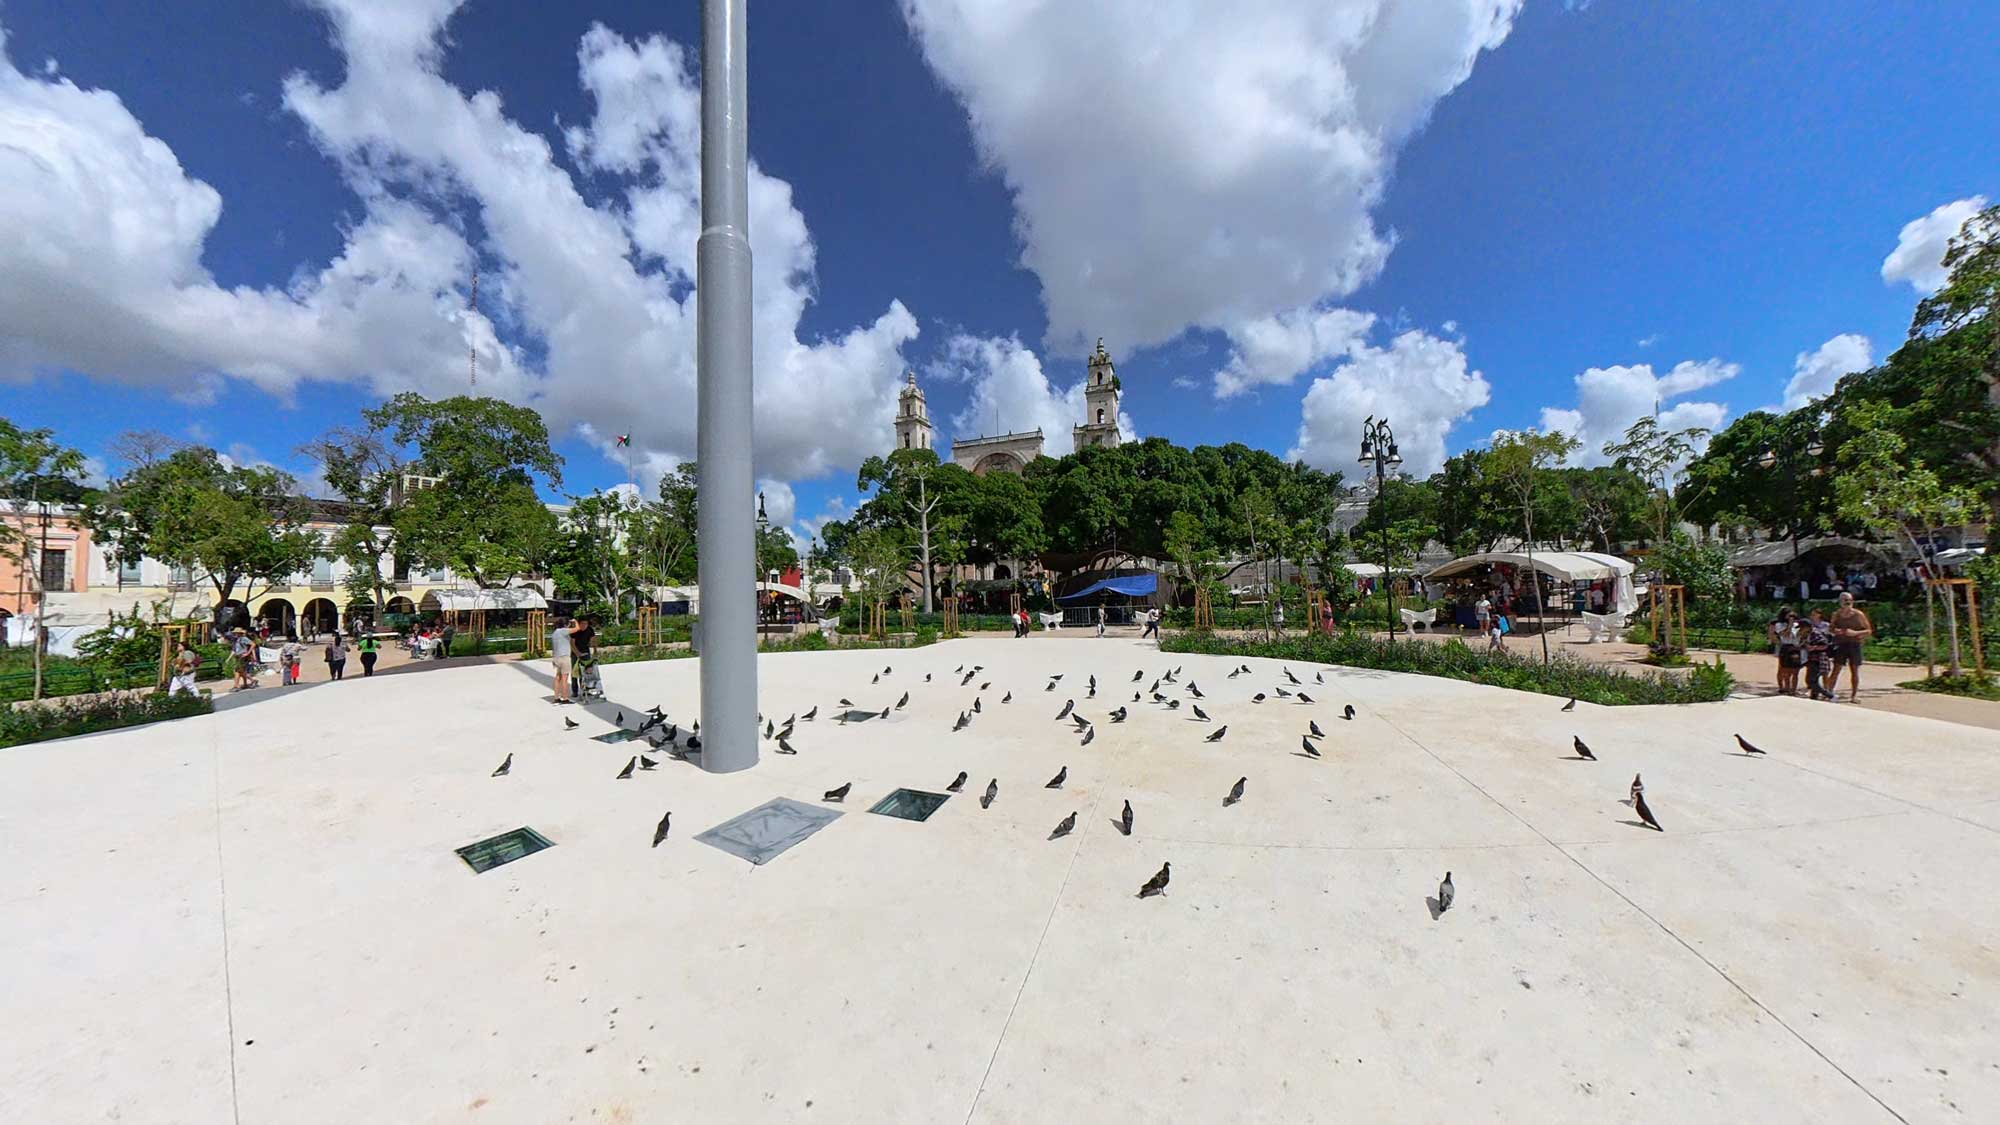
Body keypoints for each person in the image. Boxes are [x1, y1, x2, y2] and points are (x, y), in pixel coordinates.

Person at [1826, 591, 1874, 702]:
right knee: (1836, 669)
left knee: (1854, 670)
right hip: (1841, 644)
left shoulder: (1858, 615)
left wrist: (1855, 633)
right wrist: (1836, 631)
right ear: (1840, 602)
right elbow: (1831, 628)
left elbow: (1869, 630)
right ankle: (1829, 692)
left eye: (1849, 600)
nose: (1847, 602)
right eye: (1845, 600)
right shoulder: (1836, 614)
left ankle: (1854, 695)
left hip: (1855, 644)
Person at [1769, 608, 1803, 696]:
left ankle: (1793, 689)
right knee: (1784, 669)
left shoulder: (1797, 624)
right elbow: (1785, 634)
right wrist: (1790, 625)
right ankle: (1783, 687)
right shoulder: (1779, 625)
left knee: (1795, 670)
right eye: (1789, 615)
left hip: (1795, 647)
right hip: (1785, 647)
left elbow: (1799, 635)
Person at [1803, 609, 1833, 701]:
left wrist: (1814, 647)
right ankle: (1815, 694)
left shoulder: (1820, 629)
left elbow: (1826, 643)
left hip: (1819, 657)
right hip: (1811, 657)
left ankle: (1827, 693)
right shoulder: (1808, 633)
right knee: (1812, 679)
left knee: (1816, 677)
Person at [549, 616, 574, 703]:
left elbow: (553, 647)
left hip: (557, 657)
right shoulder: (564, 631)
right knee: (564, 678)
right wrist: (576, 621)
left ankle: (556, 698)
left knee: (558, 678)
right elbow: (577, 629)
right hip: (564, 657)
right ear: (566, 624)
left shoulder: (555, 633)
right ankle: (565, 698)